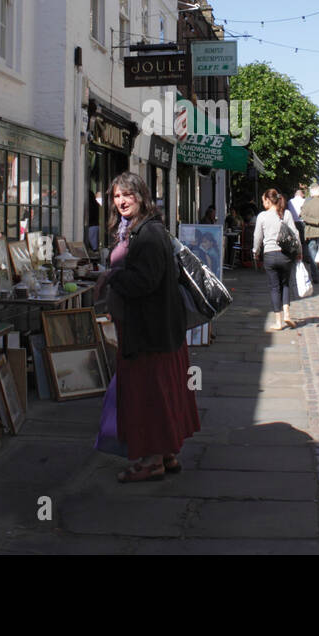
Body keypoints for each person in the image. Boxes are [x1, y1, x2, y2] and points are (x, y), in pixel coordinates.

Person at [99, 172, 201, 482]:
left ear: (142, 197)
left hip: (150, 334)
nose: (121, 201)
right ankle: (166, 453)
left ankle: (152, 460)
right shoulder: (135, 231)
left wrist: (110, 277)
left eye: (127, 195)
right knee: (161, 393)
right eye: (117, 196)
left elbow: (145, 282)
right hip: (154, 332)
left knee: (148, 396)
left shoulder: (149, 234)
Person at [254, 188, 298, 330]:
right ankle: (287, 314)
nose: (263, 204)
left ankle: (278, 322)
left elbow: (257, 236)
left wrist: (256, 251)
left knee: (274, 287)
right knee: (285, 284)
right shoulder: (286, 214)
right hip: (286, 255)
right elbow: (295, 234)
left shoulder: (262, 216)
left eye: (263, 201)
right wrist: (300, 252)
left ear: (268, 200)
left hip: (270, 255)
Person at [300, 184, 319, 284]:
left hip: (310, 232)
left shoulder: (306, 203)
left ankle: (315, 277)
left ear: (311, 193)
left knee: (312, 257)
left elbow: (303, 217)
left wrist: (315, 221)